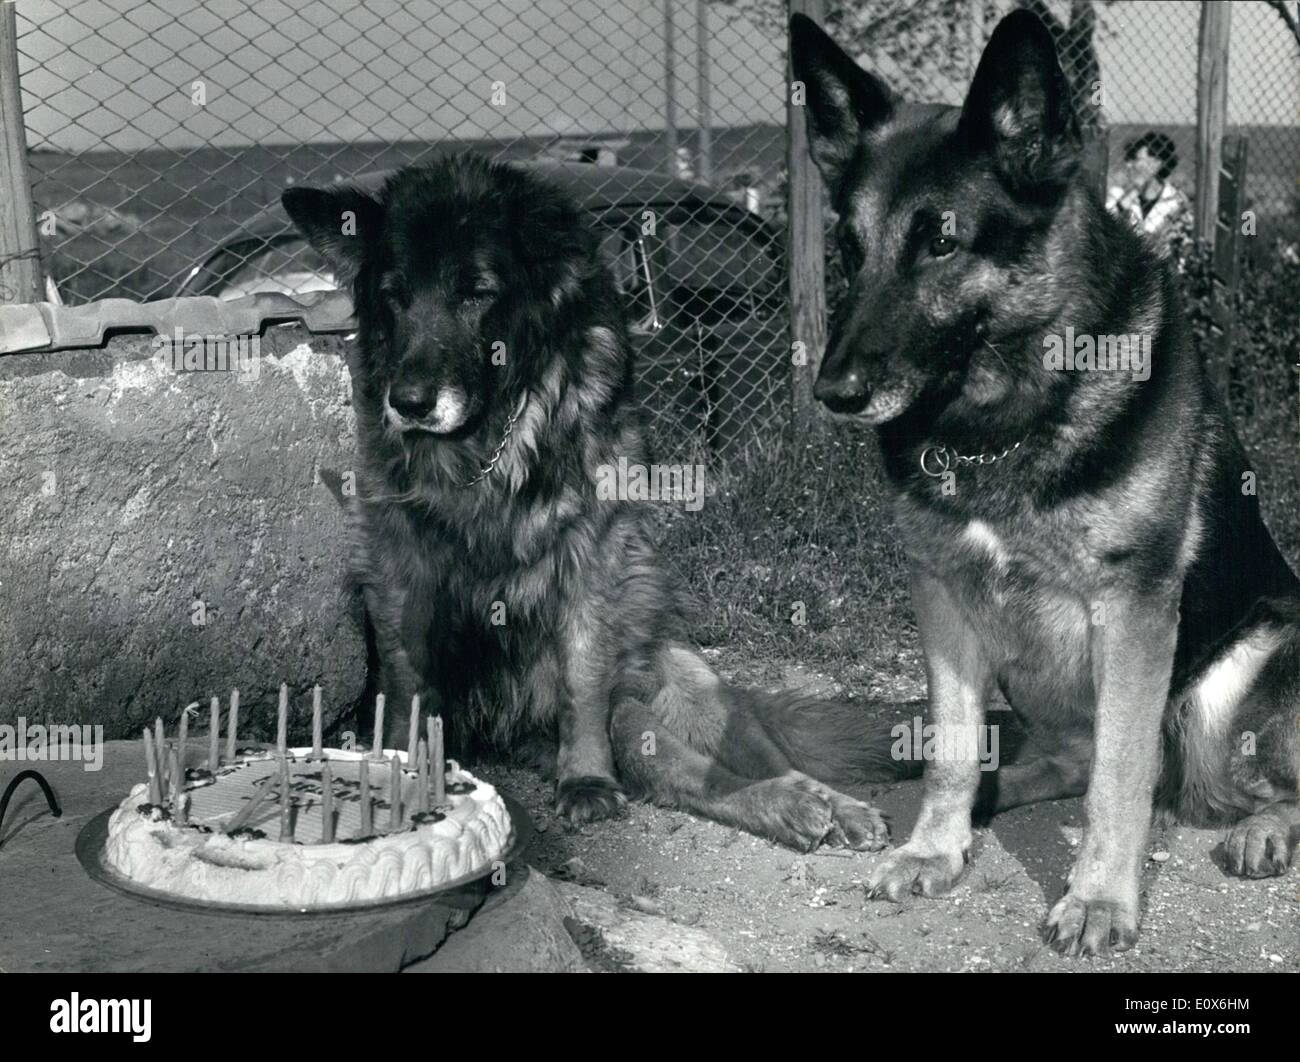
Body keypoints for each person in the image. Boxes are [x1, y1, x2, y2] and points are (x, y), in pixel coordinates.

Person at [1106, 132, 1190, 245]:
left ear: (1156, 164)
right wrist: (1133, 192)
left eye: (1136, 159)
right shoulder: (1117, 194)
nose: (1129, 165)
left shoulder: (1175, 201)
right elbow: (1104, 224)